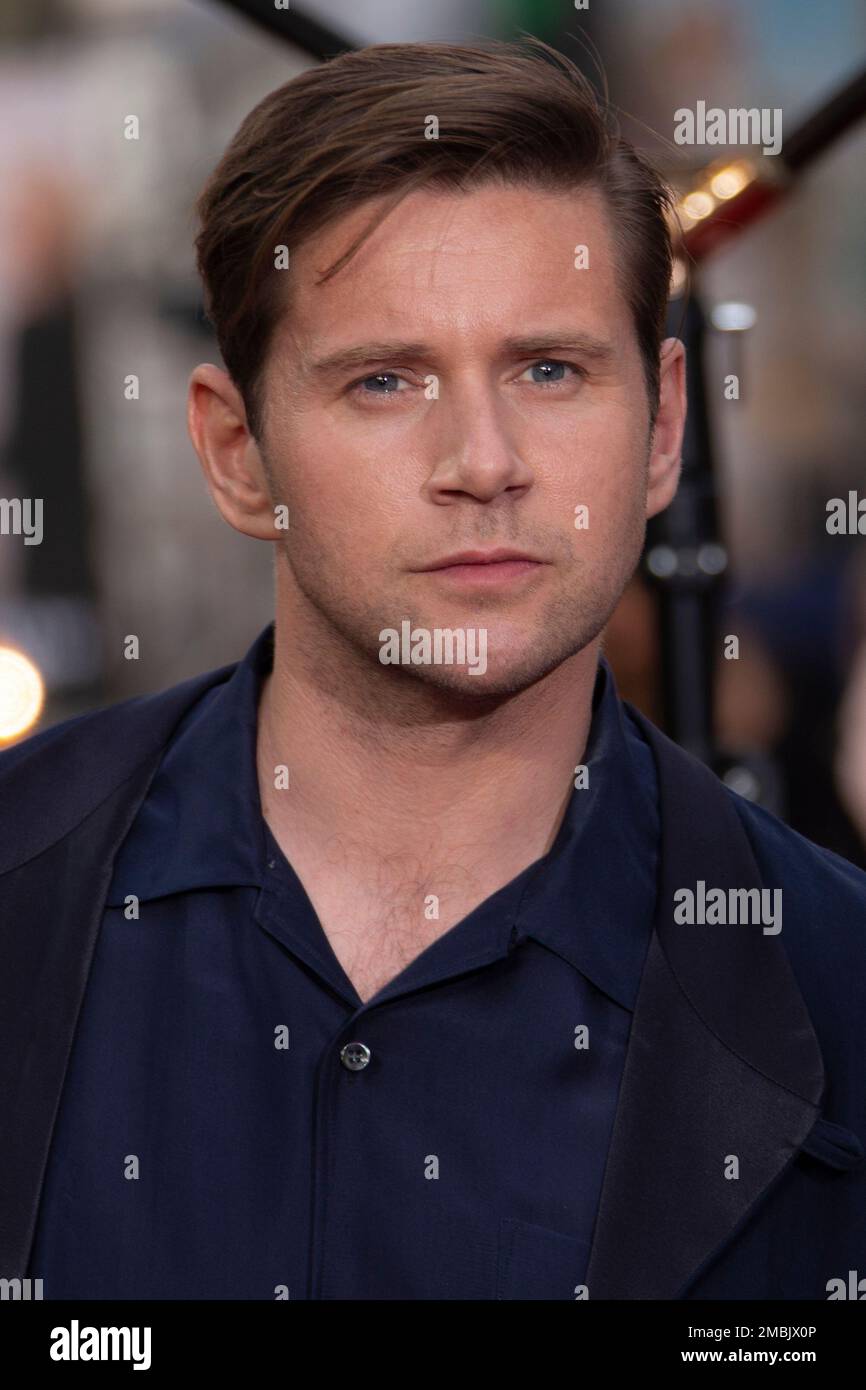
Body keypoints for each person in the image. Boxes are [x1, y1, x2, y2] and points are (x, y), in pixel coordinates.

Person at [2, 38, 864, 1302]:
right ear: (238, 453)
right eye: (385, 380)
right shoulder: (23, 892)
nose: (482, 458)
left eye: (549, 369)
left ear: (664, 425)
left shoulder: (834, 986)